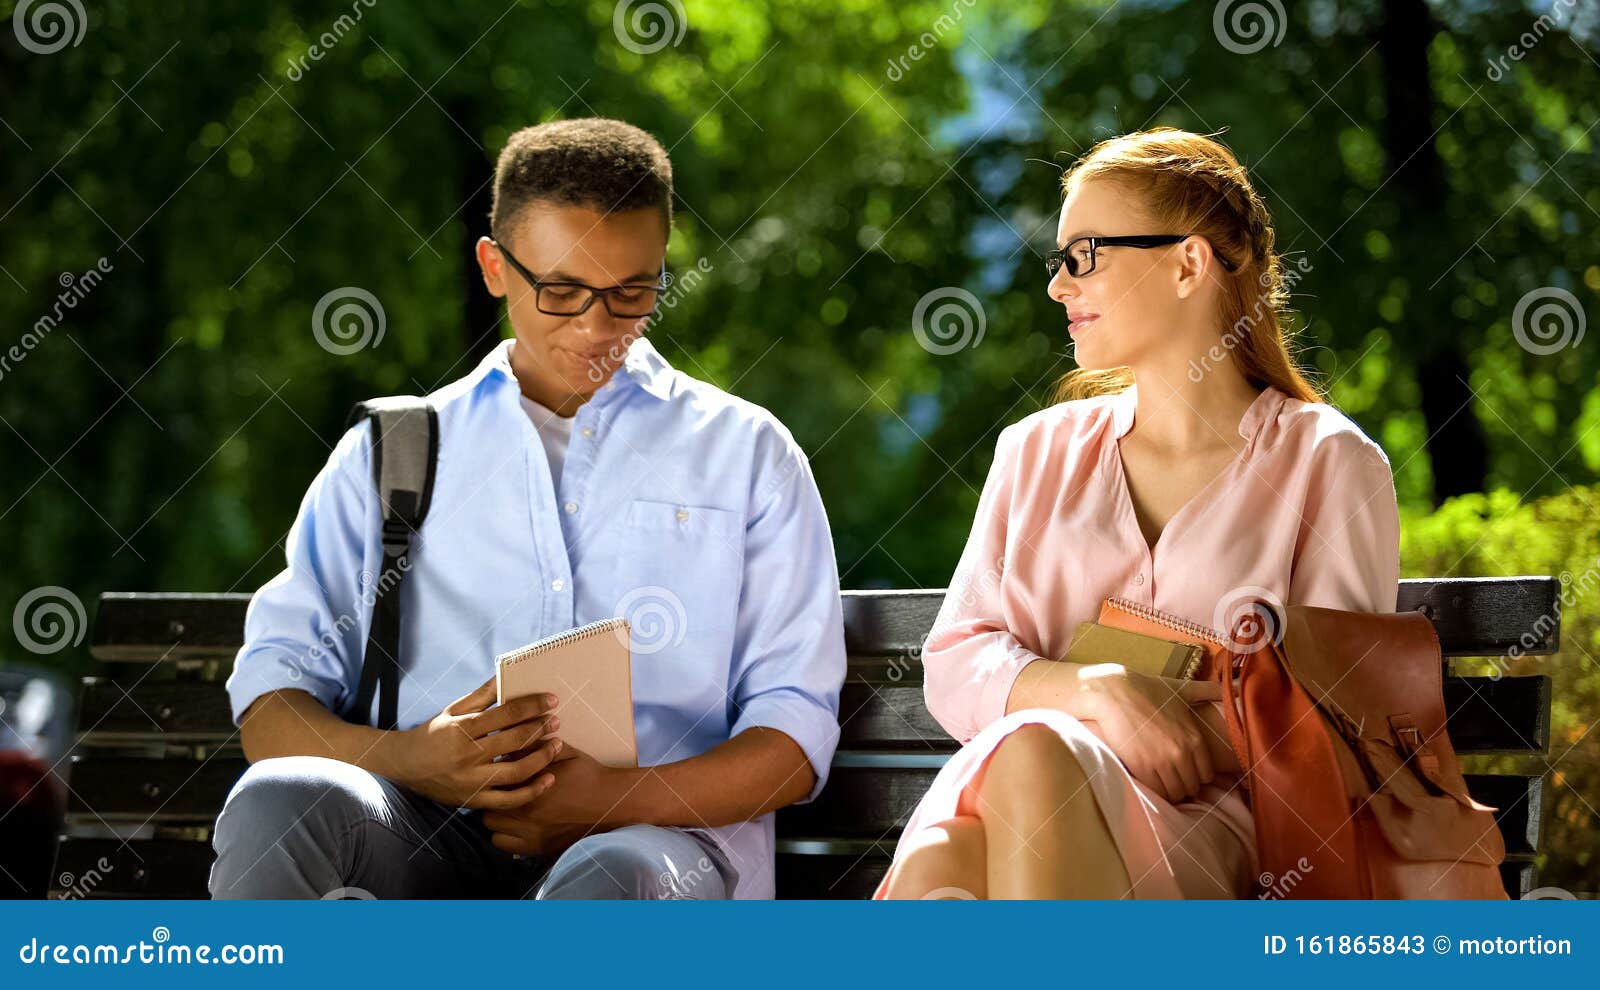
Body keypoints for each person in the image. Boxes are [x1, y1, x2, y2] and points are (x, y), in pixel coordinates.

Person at [209, 118, 846, 900]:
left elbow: (793, 738)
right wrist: (417, 761)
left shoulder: (748, 454)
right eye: (562, 291)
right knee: (283, 801)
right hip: (424, 832)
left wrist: (609, 801)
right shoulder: (393, 454)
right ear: (493, 266)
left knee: (614, 877)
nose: (595, 328)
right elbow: (273, 706)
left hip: (657, 852)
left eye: (632, 293)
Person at [875, 127, 1400, 900]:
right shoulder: (1036, 450)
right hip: (1017, 796)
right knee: (977, 824)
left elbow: (1343, 734)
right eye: (1058, 260)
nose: (1058, 285)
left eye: (1083, 254)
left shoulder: (1331, 466)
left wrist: (1176, 725)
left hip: (1229, 844)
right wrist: (1101, 694)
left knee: (1000, 802)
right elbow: (955, 664)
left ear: (1189, 263)